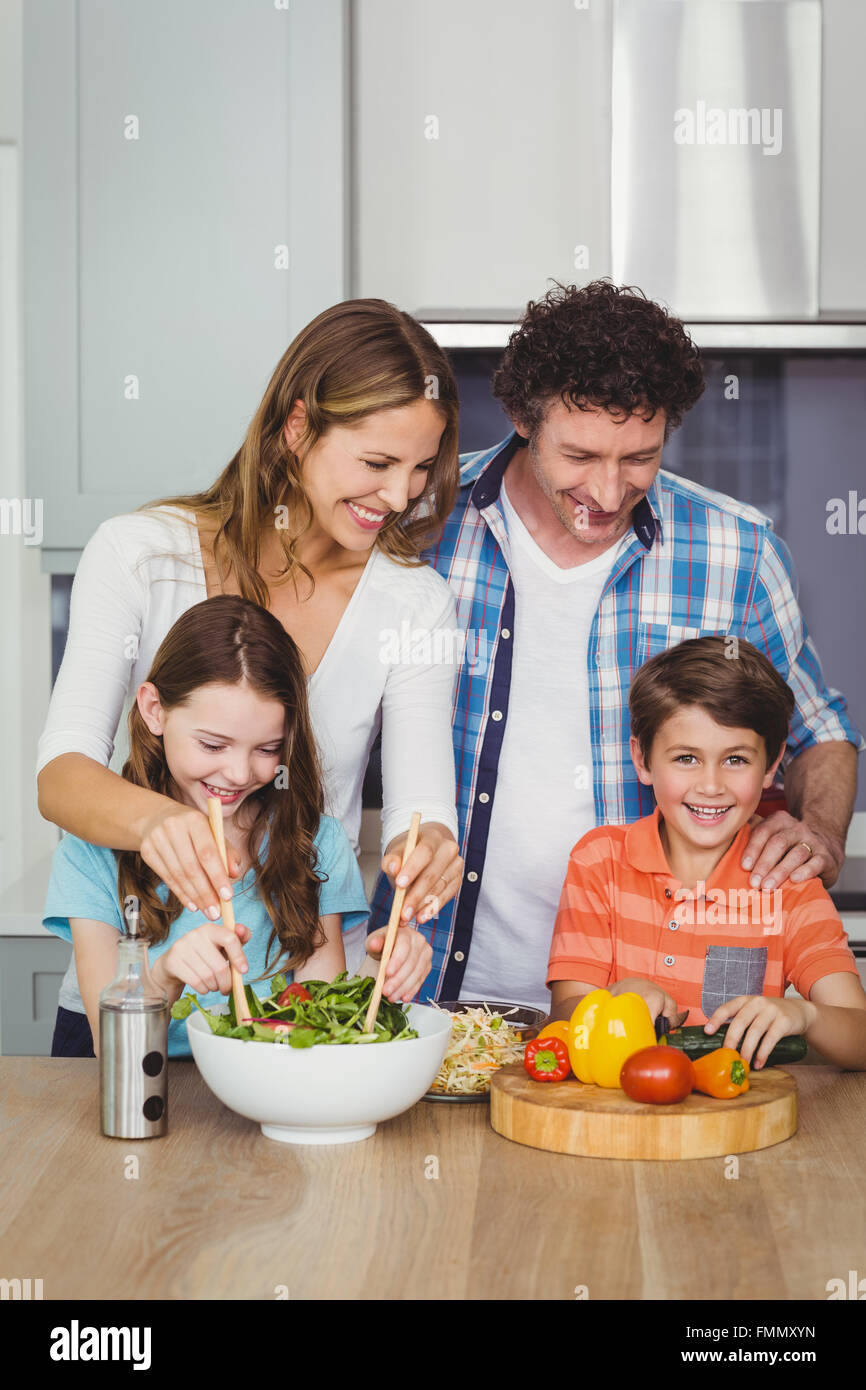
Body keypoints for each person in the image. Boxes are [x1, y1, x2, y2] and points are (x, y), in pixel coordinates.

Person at [367, 279, 864, 1010]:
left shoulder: (738, 552)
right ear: (521, 417)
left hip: (647, 1016)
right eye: (581, 454)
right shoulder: (418, 529)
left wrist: (819, 832)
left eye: (639, 457)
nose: (606, 491)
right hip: (435, 990)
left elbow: (820, 731)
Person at [37, 299, 465, 972]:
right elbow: (61, 778)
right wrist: (158, 823)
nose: (399, 495)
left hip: (301, 988)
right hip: (135, 984)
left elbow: (421, 811)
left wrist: (430, 847)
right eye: (377, 462)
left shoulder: (415, 605)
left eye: (421, 468)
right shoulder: (141, 557)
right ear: (298, 427)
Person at [45, 597, 434, 1059]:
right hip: (151, 1096)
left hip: (262, 1101)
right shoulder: (90, 854)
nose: (236, 773)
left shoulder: (316, 844)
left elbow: (321, 1032)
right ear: (154, 710)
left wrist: (381, 967)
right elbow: (113, 1050)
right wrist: (166, 973)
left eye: (267, 749)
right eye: (212, 745)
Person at [546, 637, 866, 1070]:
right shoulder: (598, 862)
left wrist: (805, 1015)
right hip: (614, 1116)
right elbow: (563, 1017)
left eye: (735, 760)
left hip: (737, 1121)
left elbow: (860, 1038)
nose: (711, 785)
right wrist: (612, 1001)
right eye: (686, 758)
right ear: (643, 760)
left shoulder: (789, 885)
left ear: (771, 765)